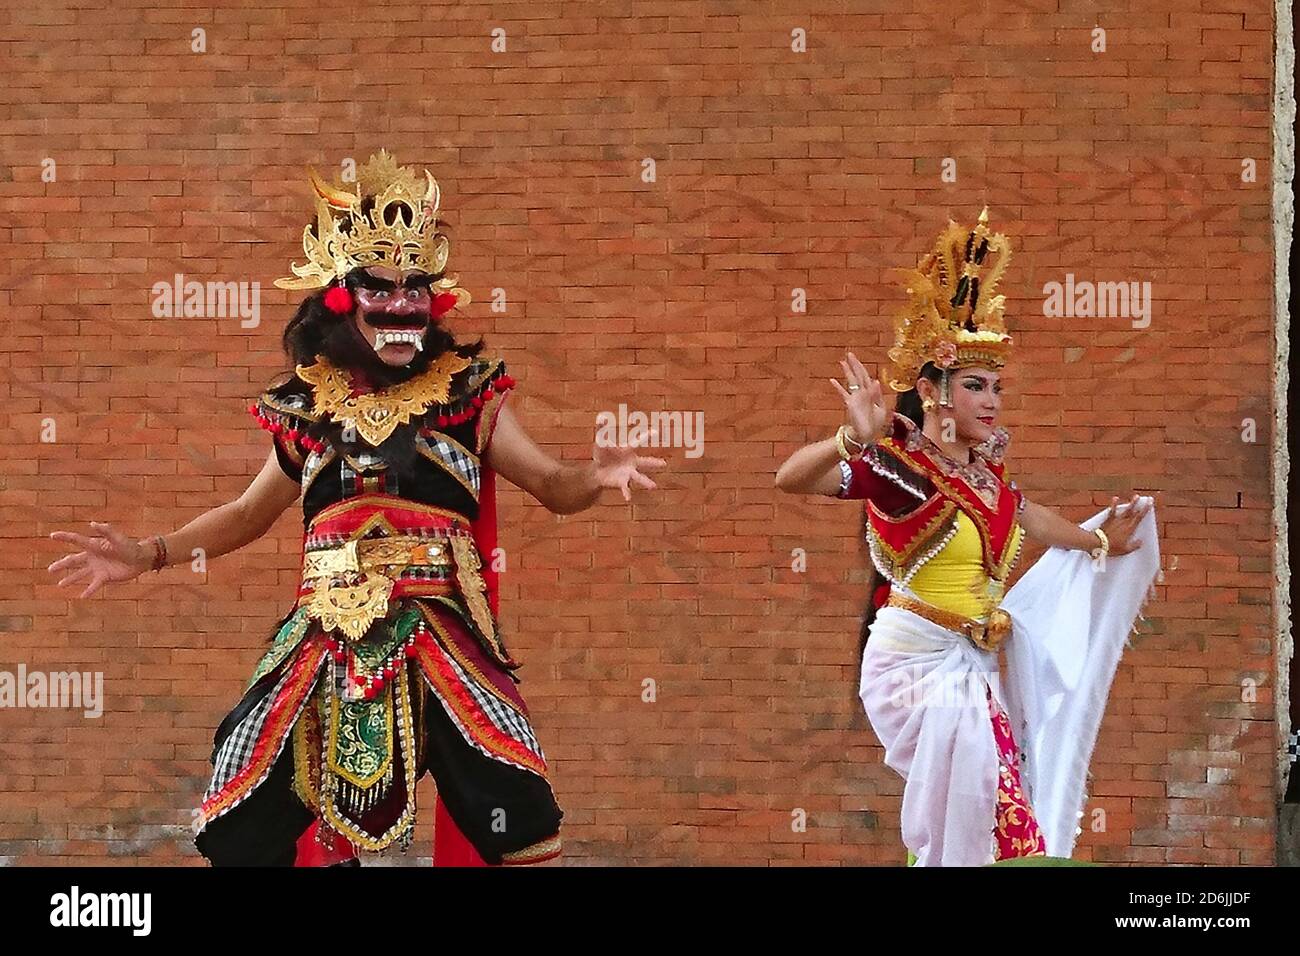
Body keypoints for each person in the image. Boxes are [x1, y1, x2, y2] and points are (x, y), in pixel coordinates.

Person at [46, 151, 665, 867]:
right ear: (341, 298)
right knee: (239, 811)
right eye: (380, 286)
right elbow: (246, 516)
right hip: (323, 635)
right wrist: (147, 553)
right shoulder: (308, 411)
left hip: (441, 633)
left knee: (516, 808)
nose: (401, 304)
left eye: (415, 288)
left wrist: (598, 473)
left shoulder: (468, 397)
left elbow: (553, 485)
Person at [776, 209, 1160, 866]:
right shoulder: (904, 474)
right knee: (1005, 820)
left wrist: (1099, 545)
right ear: (932, 391)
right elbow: (790, 479)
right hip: (917, 668)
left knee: (997, 819)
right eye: (976, 386)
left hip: (972, 668)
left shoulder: (985, 478)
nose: (992, 401)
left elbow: (1030, 517)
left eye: (997, 388)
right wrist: (850, 439)